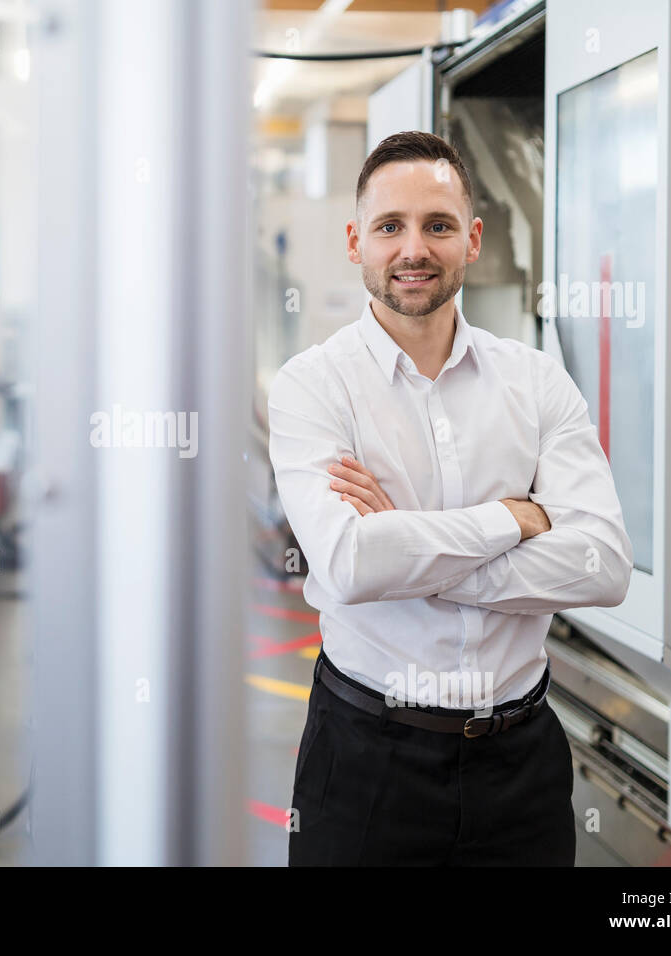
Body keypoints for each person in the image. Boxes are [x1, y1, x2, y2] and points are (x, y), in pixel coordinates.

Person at [266, 130, 634, 866]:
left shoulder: (536, 382)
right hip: (366, 764)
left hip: (521, 766)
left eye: (437, 225)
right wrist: (513, 519)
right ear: (356, 242)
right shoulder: (313, 386)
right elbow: (348, 566)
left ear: (472, 239)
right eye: (389, 227)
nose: (414, 249)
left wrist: (407, 543)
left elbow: (603, 566)